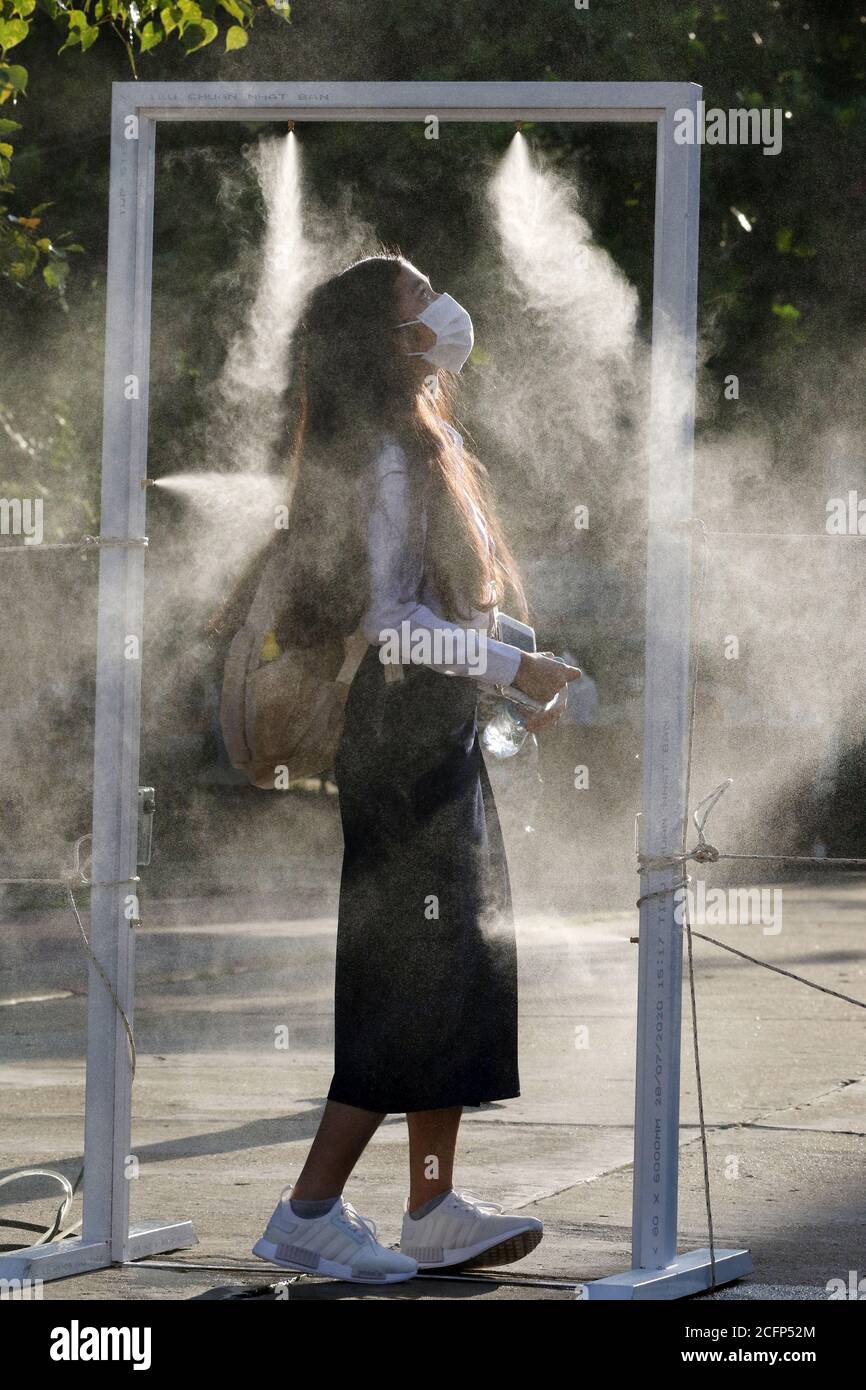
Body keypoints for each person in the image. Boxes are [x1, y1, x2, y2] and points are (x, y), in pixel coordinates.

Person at [237, 253, 581, 1284]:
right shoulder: (385, 457)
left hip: (433, 739)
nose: (442, 307)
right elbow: (392, 627)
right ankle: (307, 1210)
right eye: (416, 297)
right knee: (407, 984)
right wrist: (516, 663)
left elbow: (445, 612)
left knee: (457, 976)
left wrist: (519, 657)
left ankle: (430, 1203)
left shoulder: (420, 443)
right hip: (398, 748)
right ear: (390, 342)